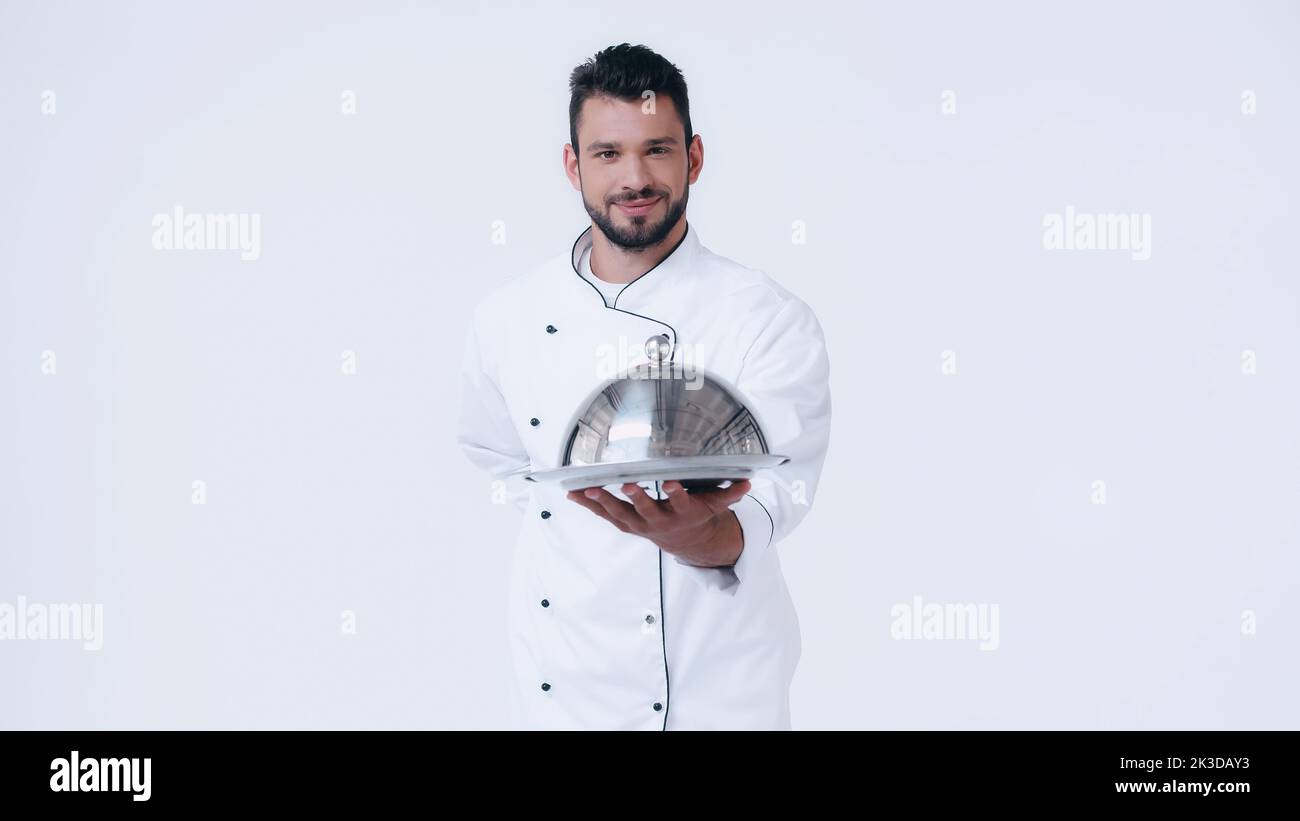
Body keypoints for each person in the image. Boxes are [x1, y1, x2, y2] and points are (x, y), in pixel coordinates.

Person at [457, 43, 832, 729]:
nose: (634, 177)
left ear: (693, 157)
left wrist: (699, 535)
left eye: (656, 150)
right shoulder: (507, 318)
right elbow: (500, 457)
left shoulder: (763, 316)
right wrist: (582, 529)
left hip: (714, 692)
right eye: (607, 154)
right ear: (572, 165)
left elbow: (780, 491)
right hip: (561, 684)